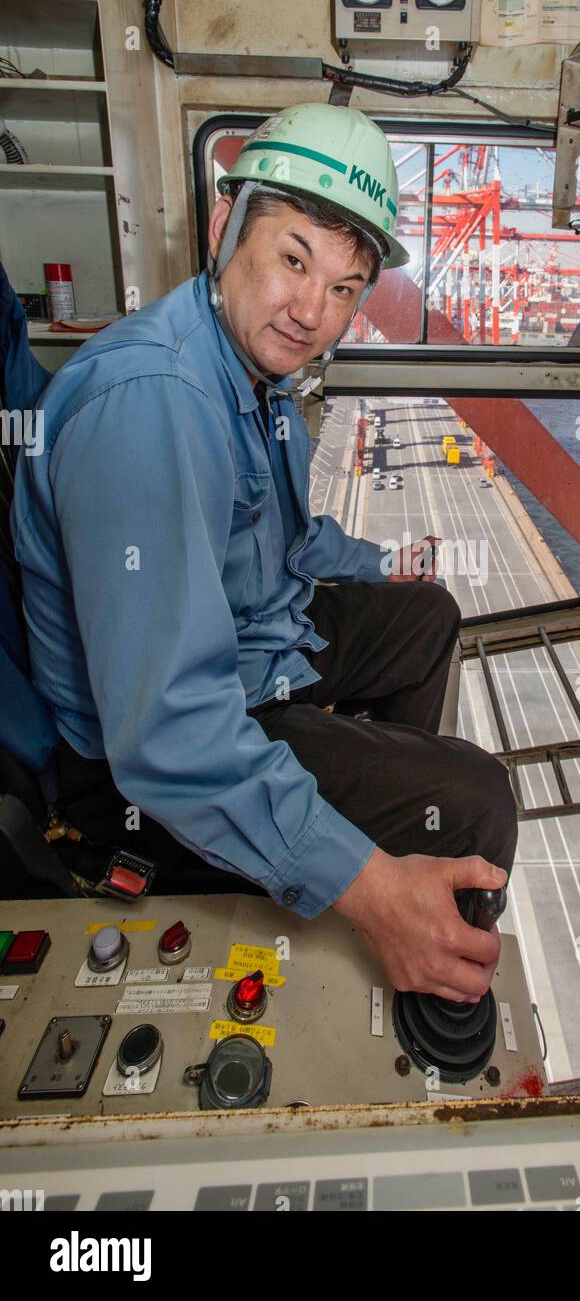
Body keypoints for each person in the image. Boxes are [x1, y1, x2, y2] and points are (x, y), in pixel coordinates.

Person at [12, 103, 518, 1003]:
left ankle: (368, 807)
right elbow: (169, 732)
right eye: (293, 259)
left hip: (252, 637)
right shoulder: (154, 405)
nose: (311, 312)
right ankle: (401, 926)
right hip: (156, 757)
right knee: (475, 795)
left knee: (425, 614)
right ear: (224, 228)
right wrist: (365, 887)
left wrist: (387, 563)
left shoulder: (251, 369)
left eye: (343, 287)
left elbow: (291, 541)